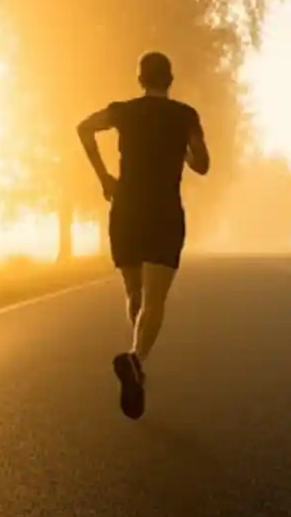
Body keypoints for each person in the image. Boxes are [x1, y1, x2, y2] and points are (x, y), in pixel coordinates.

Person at [76, 51, 210, 419]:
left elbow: (83, 127)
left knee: (134, 292)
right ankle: (136, 359)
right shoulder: (185, 116)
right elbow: (203, 164)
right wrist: (180, 150)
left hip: (126, 210)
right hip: (164, 212)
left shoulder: (123, 111)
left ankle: (137, 364)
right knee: (155, 300)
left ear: (140, 79)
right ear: (171, 78)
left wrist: (103, 176)